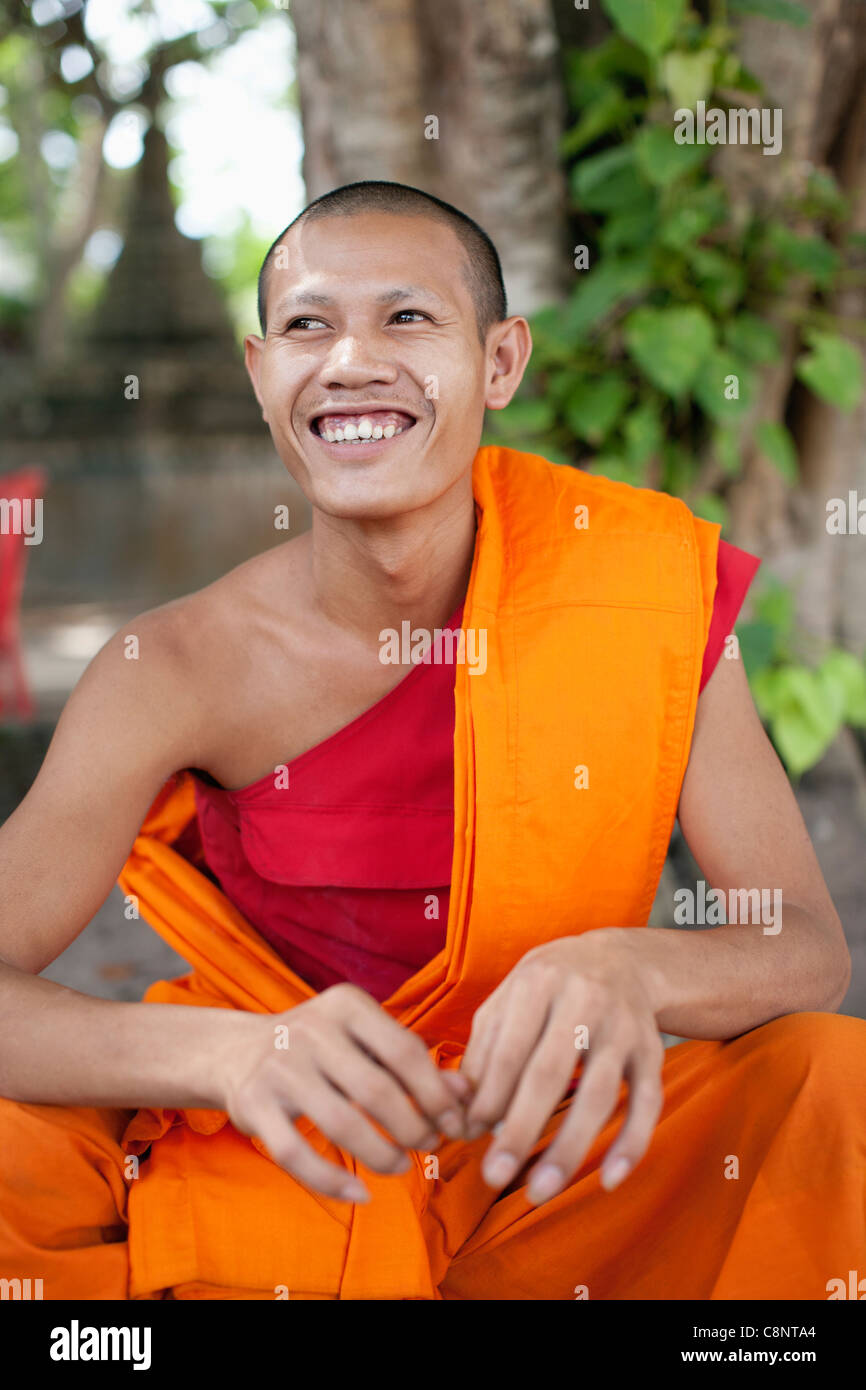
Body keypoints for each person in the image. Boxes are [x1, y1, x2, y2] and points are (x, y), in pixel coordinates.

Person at [1, 181, 863, 1302]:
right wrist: (227, 1054)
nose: (352, 360)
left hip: (561, 1151)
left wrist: (632, 964)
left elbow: (806, 948)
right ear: (262, 372)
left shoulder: (634, 589)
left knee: (827, 1082)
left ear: (500, 362)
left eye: (406, 317)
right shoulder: (173, 667)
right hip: (284, 1142)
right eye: (308, 325)